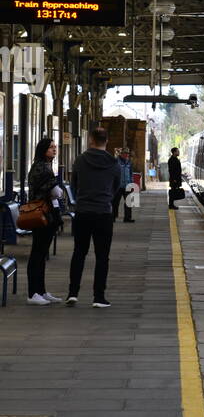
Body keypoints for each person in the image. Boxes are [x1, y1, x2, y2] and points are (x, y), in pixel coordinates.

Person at [67, 126, 122, 308]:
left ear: (91, 139)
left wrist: (84, 197)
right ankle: (98, 297)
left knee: (79, 253)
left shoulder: (80, 160)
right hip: (103, 214)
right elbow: (116, 187)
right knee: (102, 256)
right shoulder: (114, 163)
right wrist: (104, 198)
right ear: (106, 141)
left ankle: (72, 293)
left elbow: (74, 184)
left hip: (82, 212)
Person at [25, 137, 64, 305]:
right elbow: (56, 192)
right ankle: (33, 293)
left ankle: (41, 290)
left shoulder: (45, 166)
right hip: (41, 215)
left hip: (47, 214)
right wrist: (58, 191)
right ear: (43, 150)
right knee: (37, 254)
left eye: (55, 147)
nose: (54, 150)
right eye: (50, 147)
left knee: (41, 254)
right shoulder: (41, 168)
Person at [113, 147, 135, 223]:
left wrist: (132, 184)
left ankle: (127, 218)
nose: (126, 155)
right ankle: (113, 217)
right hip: (118, 186)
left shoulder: (129, 162)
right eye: (125, 153)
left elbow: (131, 174)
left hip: (127, 185)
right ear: (121, 154)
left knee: (129, 202)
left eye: (127, 154)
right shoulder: (116, 161)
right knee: (115, 202)